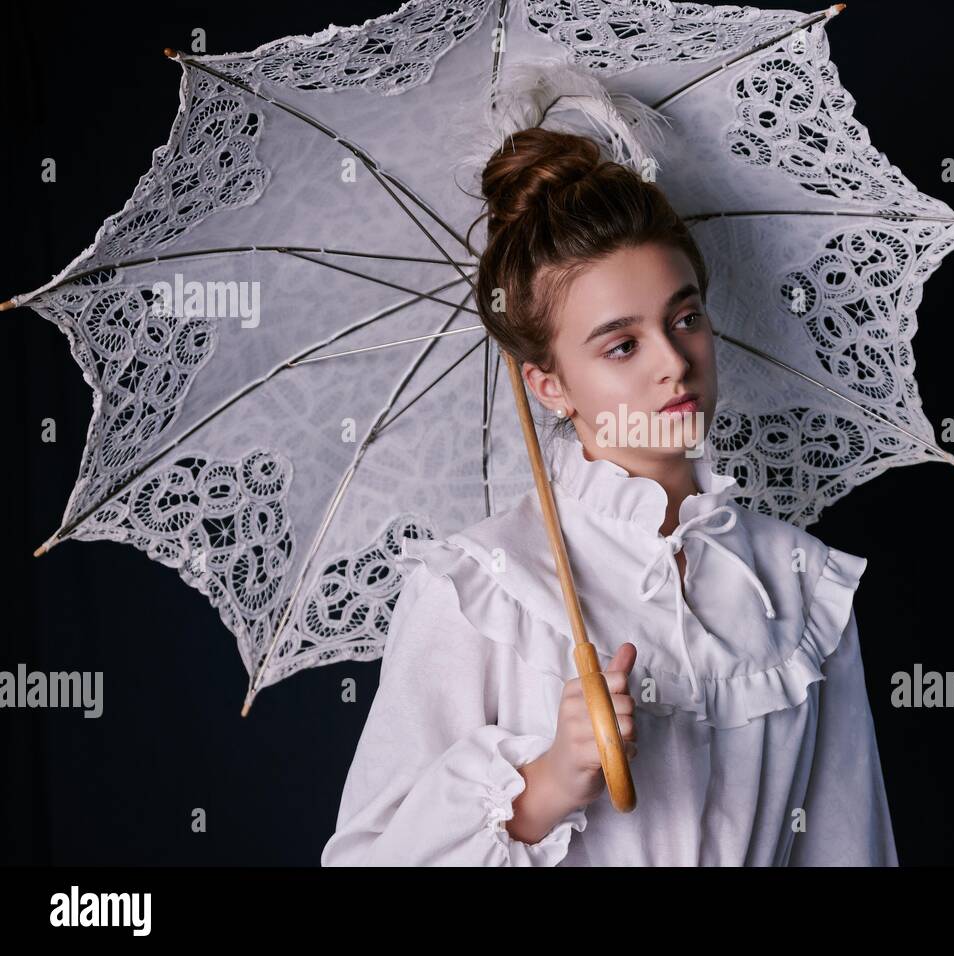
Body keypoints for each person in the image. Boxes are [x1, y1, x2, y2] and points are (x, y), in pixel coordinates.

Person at [320, 127, 898, 866]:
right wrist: (544, 788)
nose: (673, 363)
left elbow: (852, 850)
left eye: (685, 317)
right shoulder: (476, 592)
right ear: (548, 384)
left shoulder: (802, 587)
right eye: (621, 345)